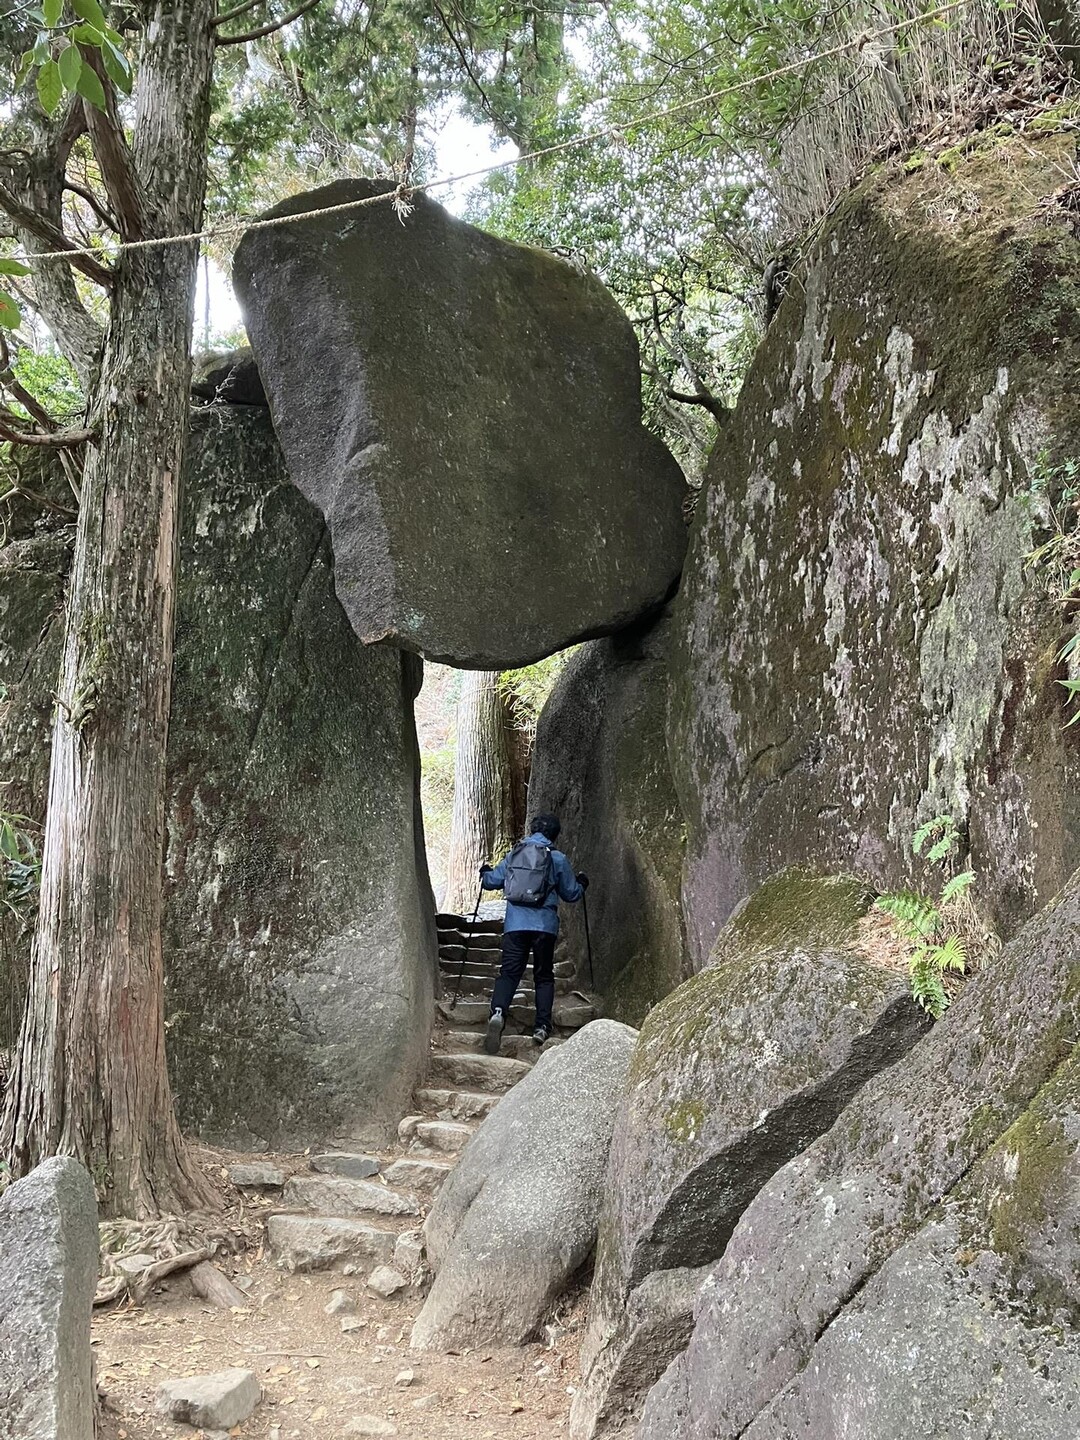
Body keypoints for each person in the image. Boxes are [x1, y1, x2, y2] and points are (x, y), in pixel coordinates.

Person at [479, 812, 588, 1053]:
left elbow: (491, 881)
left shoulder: (515, 854)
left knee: (508, 973)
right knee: (544, 975)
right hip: (544, 927)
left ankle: (498, 1012)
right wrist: (582, 883)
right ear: (555, 834)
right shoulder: (557, 859)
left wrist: (484, 872)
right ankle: (541, 1026)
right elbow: (571, 894)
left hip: (515, 925)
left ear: (532, 830)